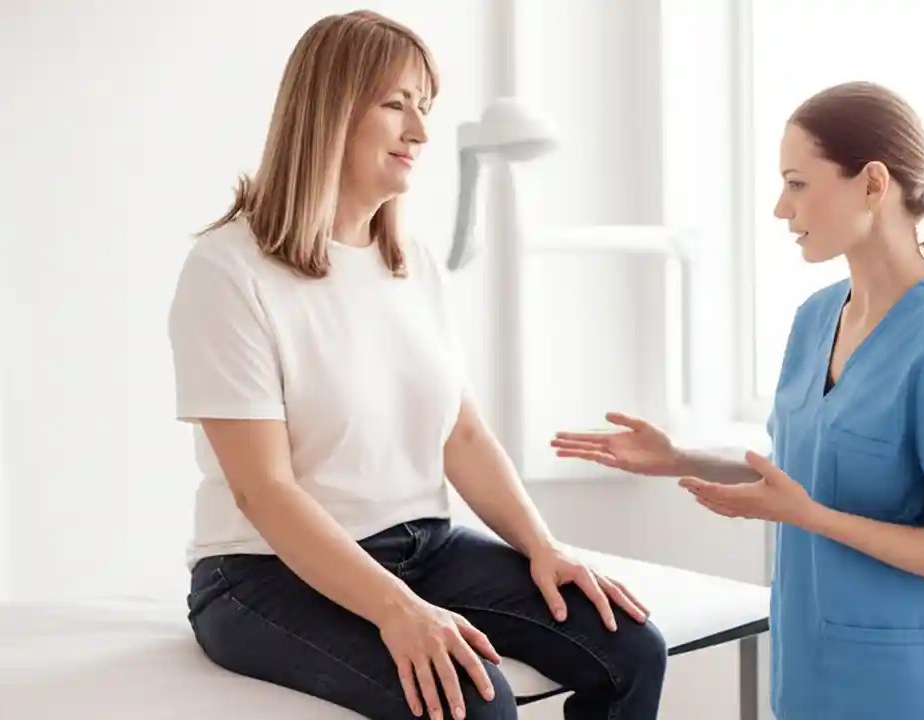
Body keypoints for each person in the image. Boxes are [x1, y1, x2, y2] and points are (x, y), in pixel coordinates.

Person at [168, 11, 666, 720]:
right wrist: (400, 612)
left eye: (424, 108)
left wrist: (543, 547)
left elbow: (460, 434)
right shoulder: (228, 269)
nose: (421, 132)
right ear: (331, 109)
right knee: (475, 702)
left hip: (421, 545)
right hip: (262, 572)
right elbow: (263, 492)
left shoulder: (412, 265)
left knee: (633, 650)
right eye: (396, 104)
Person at [554, 81, 924, 719]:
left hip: (917, 689)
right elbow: (798, 469)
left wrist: (812, 517)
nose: (780, 207)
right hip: (811, 680)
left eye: (797, 183)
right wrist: (677, 457)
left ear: (873, 184)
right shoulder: (816, 318)